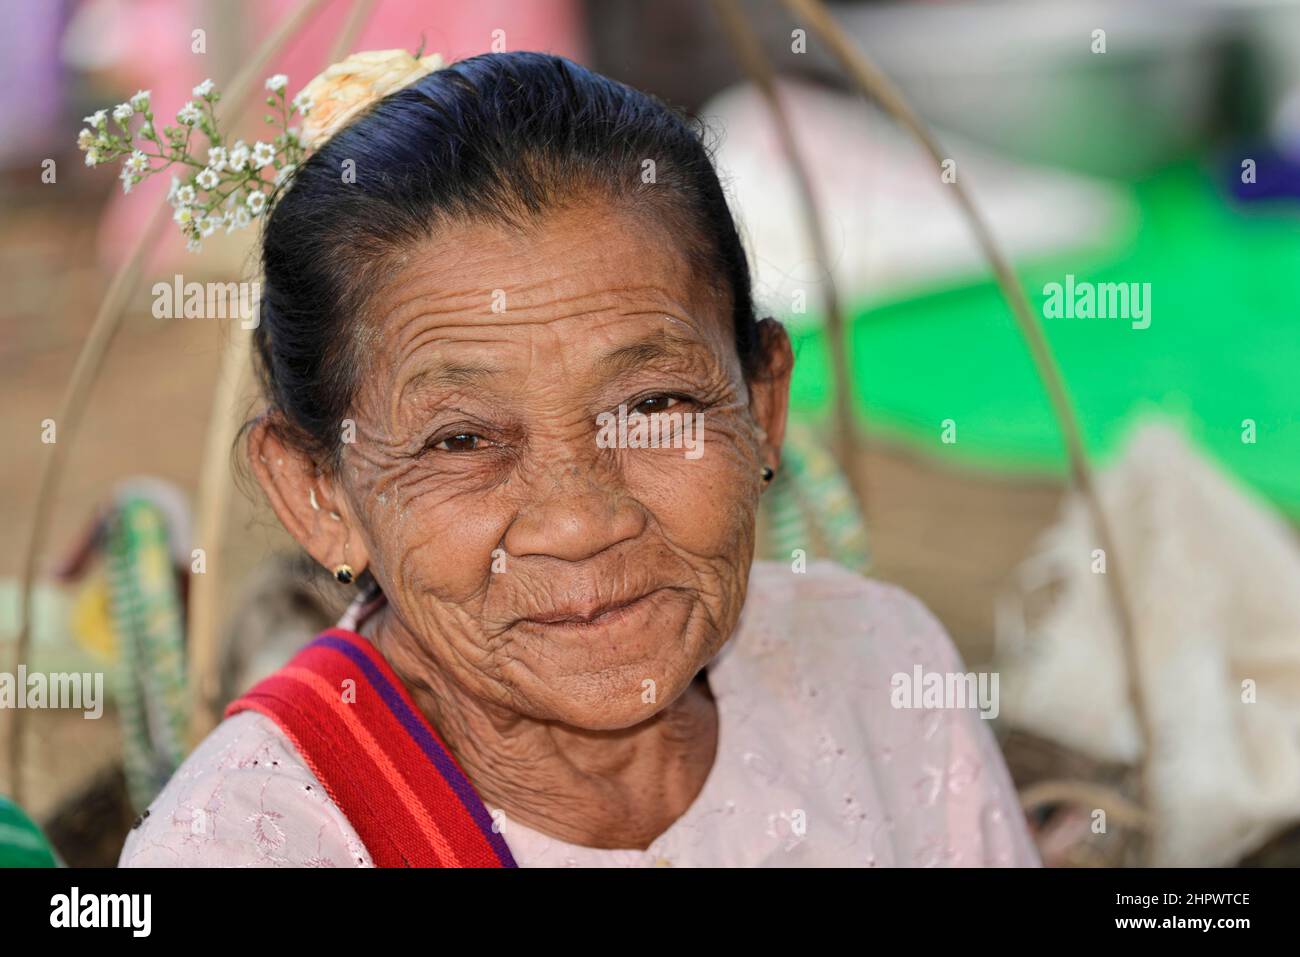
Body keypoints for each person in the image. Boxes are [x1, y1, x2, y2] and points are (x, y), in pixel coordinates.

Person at [119, 50, 1038, 867]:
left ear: (761, 404)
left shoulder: (875, 663)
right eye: (462, 440)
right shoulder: (244, 843)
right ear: (319, 491)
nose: (580, 521)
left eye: (653, 406)